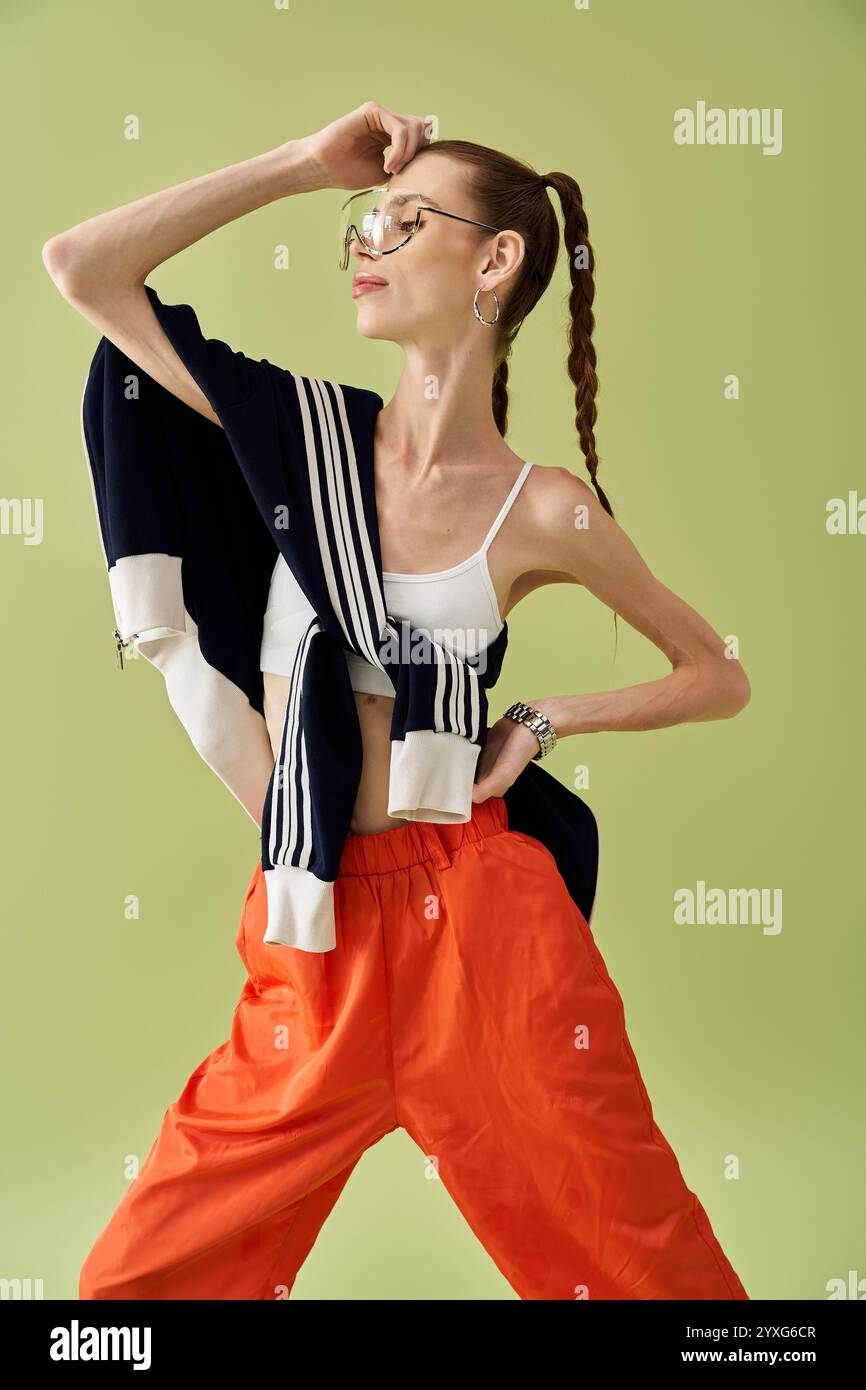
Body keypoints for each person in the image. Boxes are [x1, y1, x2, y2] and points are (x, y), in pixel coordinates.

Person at [43, 101, 751, 1301]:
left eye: (401, 220)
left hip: (482, 930)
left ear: (495, 258)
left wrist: (541, 720)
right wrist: (299, 164)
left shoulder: (545, 508)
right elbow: (85, 269)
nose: (366, 243)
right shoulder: (296, 435)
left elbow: (713, 674)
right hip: (310, 923)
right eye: (359, 224)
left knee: (649, 1274)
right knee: (129, 1299)